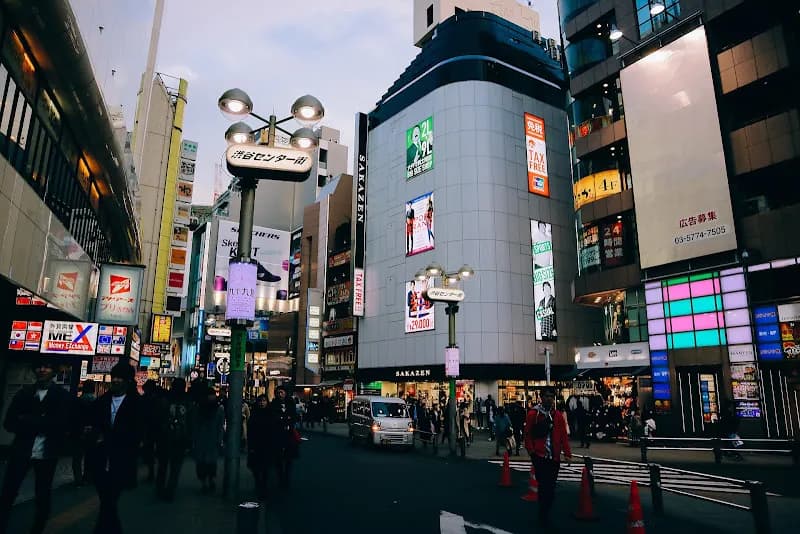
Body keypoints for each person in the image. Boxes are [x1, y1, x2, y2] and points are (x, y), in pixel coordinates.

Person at [0, 359, 72, 534]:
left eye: (47, 367)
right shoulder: (24, 393)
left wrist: (28, 420)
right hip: (21, 450)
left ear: (54, 371)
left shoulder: (62, 396)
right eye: (39, 367)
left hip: (47, 452)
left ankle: (38, 528)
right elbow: (9, 422)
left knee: (43, 494)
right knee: (8, 492)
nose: (42, 370)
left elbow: (63, 425)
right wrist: (43, 422)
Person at [90, 362, 143, 534]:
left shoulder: (136, 403)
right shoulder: (101, 402)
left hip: (122, 459)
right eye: (114, 377)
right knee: (107, 501)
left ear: (128, 381)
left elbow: (139, 431)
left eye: (120, 378)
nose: (116, 380)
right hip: (101, 458)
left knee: (109, 501)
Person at [524, 386, 572, 527]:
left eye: (551, 396)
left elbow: (563, 436)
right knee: (544, 486)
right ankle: (543, 515)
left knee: (550, 489)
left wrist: (567, 453)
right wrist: (531, 452)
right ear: (541, 397)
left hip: (554, 457)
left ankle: (544, 511)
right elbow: (527, 434)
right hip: (540, 456)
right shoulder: (534, 414)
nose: (549, 399)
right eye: (546, 396)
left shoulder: (557, 415)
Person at [155, 378, 191, 501]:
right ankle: (170, 490)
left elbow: (158, 418)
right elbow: (190, 422)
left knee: (163, 465)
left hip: (165, 437)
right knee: (175, 467)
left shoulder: (165, 399)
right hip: (180, 439)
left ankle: (160, 489)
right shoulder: (187, 401)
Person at [192, 387, 224, 493]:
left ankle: (208, 481)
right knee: (204, 463)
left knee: (209, 463)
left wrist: (220, 439)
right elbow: (195, 425)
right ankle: (206, 482)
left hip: (210, 439)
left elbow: (220, 426)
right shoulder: (199, 408)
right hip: (203, 439)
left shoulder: (218, 409)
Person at [268, 386, 298, 488]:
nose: (280, 394)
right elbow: (273, 417)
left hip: (289, 434)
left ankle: (286, 478)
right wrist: (284, 418)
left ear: (285, 393)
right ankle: (280, 478)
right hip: (277, 434)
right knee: (278, 458)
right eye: (278, 392)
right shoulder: (273, 404)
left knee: (289, 458)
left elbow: (293, 416)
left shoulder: (290, 403)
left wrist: (286, 419)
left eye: (282, 392)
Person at [72, 379, 97, 487]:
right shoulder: (96, 401)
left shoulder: (78, 401)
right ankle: (88, 476)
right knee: (90, 455)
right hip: (92, 432)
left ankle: (78, 479)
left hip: (79, 431)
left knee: (77, 457)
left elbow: (74, 417)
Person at [247, 395, 271, 499]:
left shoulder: (270, 414)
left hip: (267, 445)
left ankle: (263, 486)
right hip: (256, 444)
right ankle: (258, 483)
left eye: (264, 401)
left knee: (265, 468)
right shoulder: (254, 414)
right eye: (260, 401)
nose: (262, 403)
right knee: (255, 467)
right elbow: (250, 430)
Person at [139, 379, 161, 482]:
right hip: (156, 428)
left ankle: (151, 472)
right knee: (155, 451)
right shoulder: (158, 399)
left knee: (148, 450)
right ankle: (154, 472)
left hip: (147, 428)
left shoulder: (144, 399)